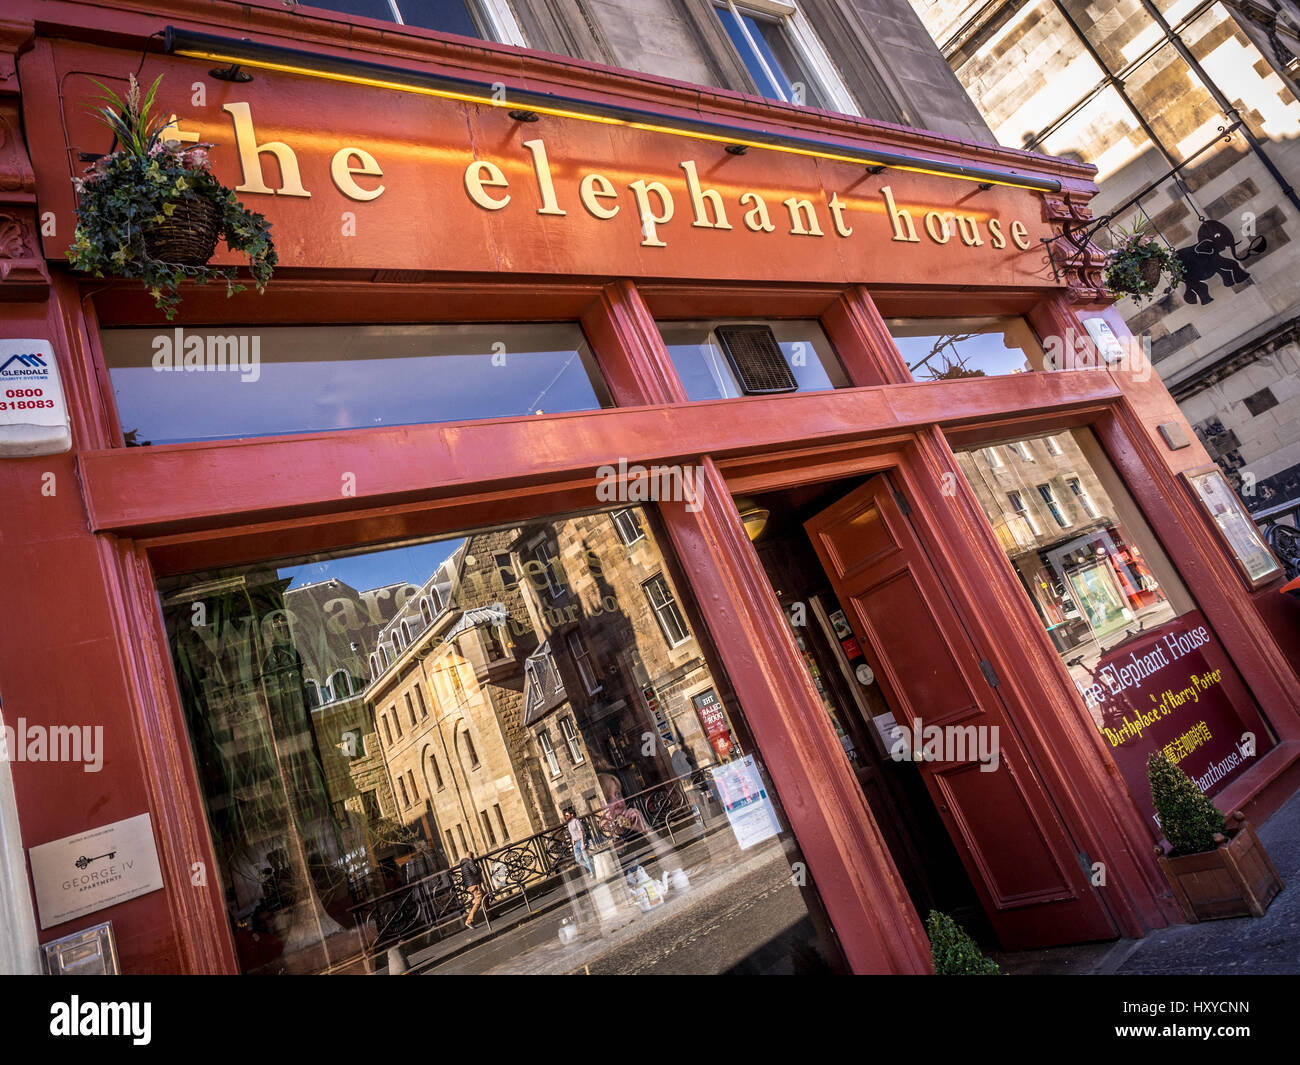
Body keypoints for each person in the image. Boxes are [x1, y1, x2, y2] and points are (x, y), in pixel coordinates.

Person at [458, 852, 485, 929]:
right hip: (474, 884)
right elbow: (475, 871)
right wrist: (472, 862)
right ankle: (469, 921)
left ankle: (490, 914)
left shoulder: (463, 864)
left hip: (470, 884)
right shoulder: (469, 862)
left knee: (485, 897)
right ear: (471, 857)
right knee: (478, 901)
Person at [565, 808, 594, 876]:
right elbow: (572, 834)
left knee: (586, 857)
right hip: (575, 843)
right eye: (565, 815)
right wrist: (573, 844)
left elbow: (581, 832)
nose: (566, 817)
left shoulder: (576, 821)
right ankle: (593, 866)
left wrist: (582, 842)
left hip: (581, 841)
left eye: (567, 815)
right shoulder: (569, 824)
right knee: (578, 859)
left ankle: (592, 872)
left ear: (572, 815)